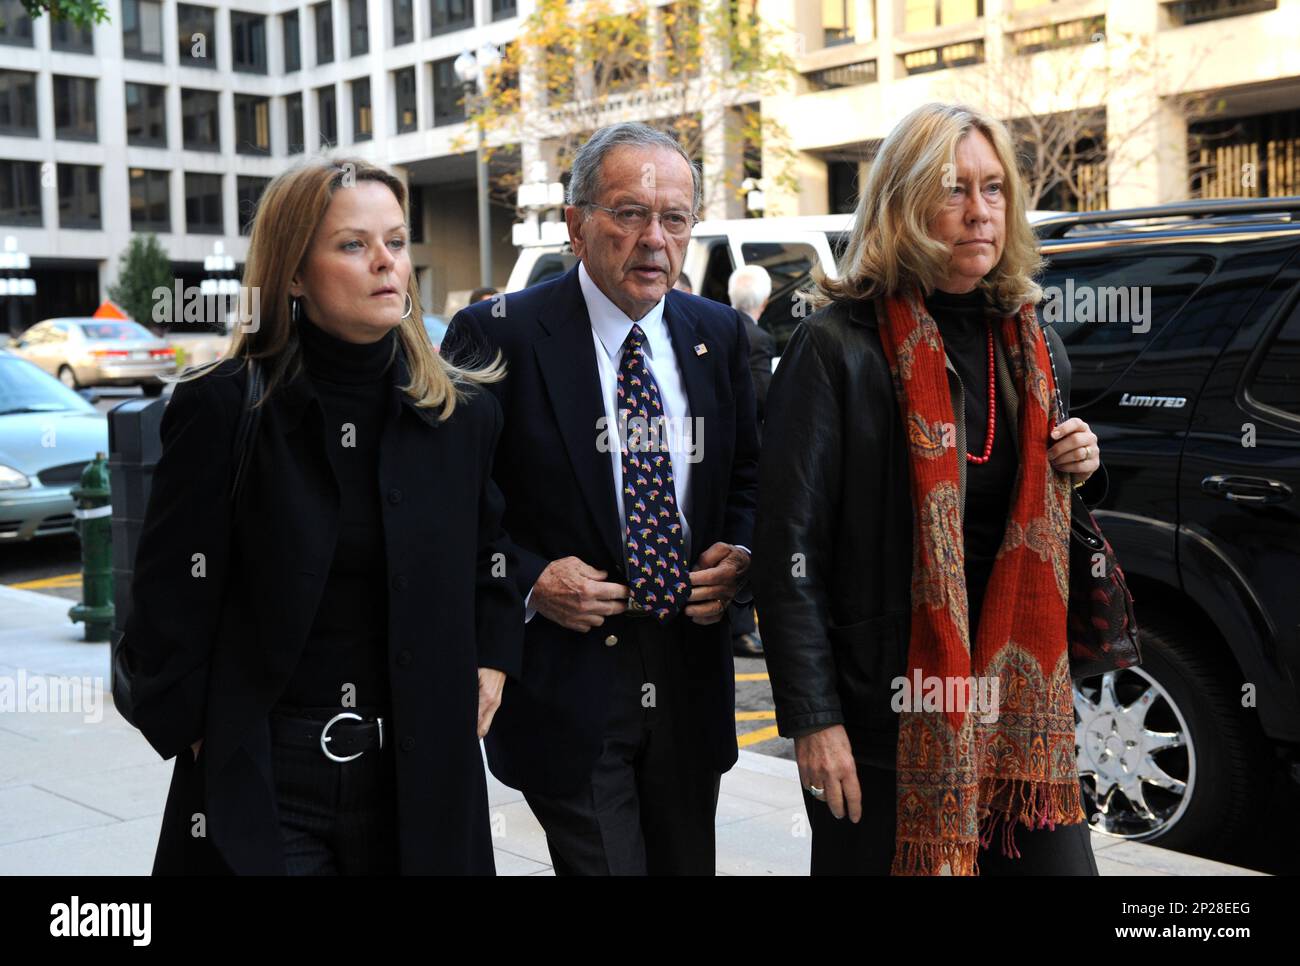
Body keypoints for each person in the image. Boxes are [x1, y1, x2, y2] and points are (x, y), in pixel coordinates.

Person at [121, 156, 523, 875]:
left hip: (421, 777)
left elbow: (488, 555)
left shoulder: (460, 414)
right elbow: (166, 594)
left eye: (395, 242)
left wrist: (493, 657)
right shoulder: (225, 407)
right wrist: (198, 728)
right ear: (294, 275)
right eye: (352, 244)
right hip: (269, 782)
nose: (385, 263)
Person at [753, 102, 1103, 876]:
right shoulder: (835, 346)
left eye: (994, 188)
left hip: (1019, 716)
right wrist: (814, 720)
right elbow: (788, 550)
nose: (980, 211)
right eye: (953, 190)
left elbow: (1044, 517)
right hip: (886, 711)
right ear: (904, 204)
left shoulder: (1036, 342)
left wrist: (1082, 465)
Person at [441, 122, 760, 875]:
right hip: (570, 680)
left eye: (674, 218)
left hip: (687, 673)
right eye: (630, 213)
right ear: (576, 225)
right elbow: (449, 505)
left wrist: (742, 554)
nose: (655, 239)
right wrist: (530, 579)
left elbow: (750, 477)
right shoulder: (499, 335)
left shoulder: (721, 335)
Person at [725, 265, 776, 658]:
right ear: (766, 301)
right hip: (749, 451)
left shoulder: (720, 328)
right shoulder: (757, 337)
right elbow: (759, 396)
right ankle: (742, 625)